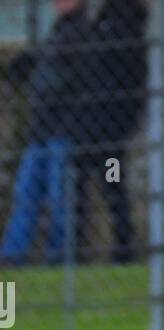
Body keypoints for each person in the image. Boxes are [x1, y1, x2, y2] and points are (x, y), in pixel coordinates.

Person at [0, 0, 97, 265]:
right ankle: (12, 256)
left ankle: (60, 257)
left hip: (63, 131)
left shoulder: (83, 34)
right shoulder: (57, 32)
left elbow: (74, 83)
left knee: (60, 200)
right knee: (25, 196)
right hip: (40, 131)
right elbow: (36, 66)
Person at [77, 0, 147, 263]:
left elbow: (127, 76)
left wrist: (124, 120)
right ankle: (84, 248)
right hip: (91, 122)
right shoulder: (102, 19)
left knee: (112, 183)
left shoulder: (124, 22)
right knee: (85, 182)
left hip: (110, 127)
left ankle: (123, 245)